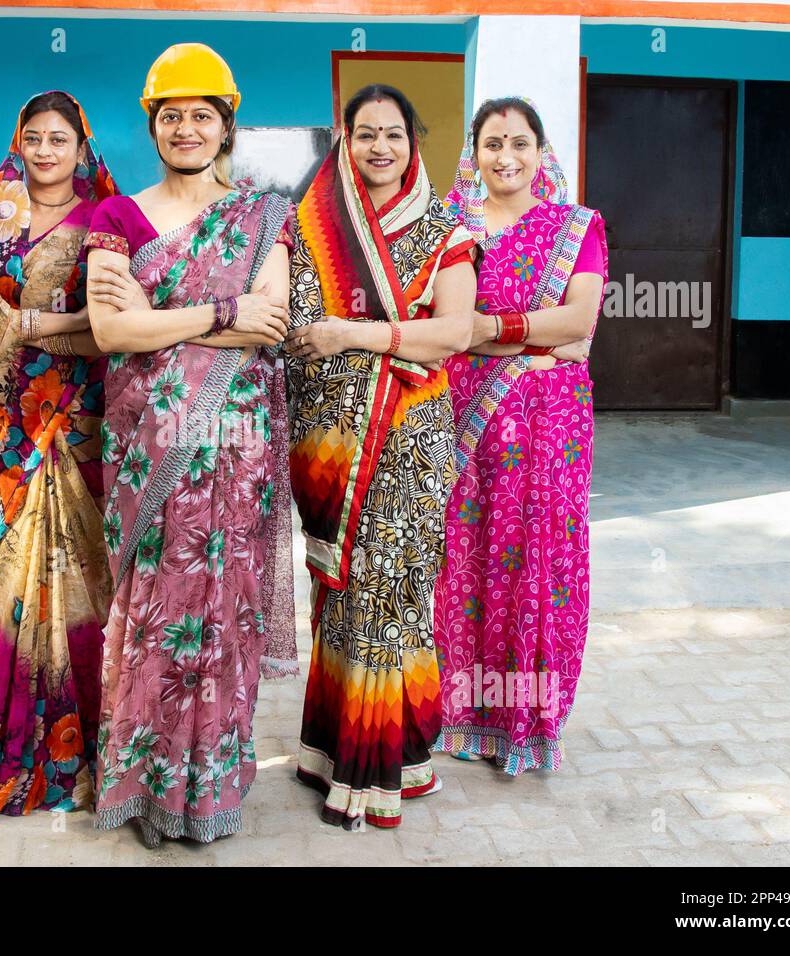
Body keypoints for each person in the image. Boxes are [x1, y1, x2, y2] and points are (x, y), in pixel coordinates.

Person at [83, 42, 297, 847]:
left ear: (226, 126)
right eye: (170, 115)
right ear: (152, 124)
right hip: (152, 448)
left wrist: (163, 322)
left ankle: (210, 789)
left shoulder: (264, 215)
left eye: (201, 115)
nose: (185, 128)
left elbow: (270, 319)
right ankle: (145, 790)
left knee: (225, 612)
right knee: (156, 612)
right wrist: (215, 314)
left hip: (238, 449)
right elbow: (111, 330)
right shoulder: (119, 217)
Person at [286, 85, 476, 830]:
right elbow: (300, 328)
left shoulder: (443, 226)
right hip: (333, 438)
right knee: (342, 594)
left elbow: (453, 334)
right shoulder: (310, 225)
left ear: (413, 140)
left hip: (410, 438)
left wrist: (355, 335)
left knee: (390, 591)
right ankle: (332, 750)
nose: (379, 149)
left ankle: (380, 767)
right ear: (345, 140)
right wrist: (339, 336)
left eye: (392, 134)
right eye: (365, 134)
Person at [0, 91, 118, 820]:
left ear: (83, 147)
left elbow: (115, 316)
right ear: (20, 145)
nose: (47, 151)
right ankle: (11, 740)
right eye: (35, 139)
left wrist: (34, 323)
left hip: (76, 419)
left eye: (61, 139)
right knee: (8, 577)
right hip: (5, 424)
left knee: (80, 575)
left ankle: (84, 740)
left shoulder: (105, 219)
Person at [433, 96, 608, 775]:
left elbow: (578, 324)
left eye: (520, 143)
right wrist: (529, 332)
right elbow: (443, 320)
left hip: (548, 426)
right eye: (492, 143)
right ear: (472, 155)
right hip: (464, 421)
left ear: (543, 154)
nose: (506, 156)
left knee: (541, 560)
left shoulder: (576, 226)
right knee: (464, 558)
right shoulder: (452, 229)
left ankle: (528, 721)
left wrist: (489, 330)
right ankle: (463, 712)